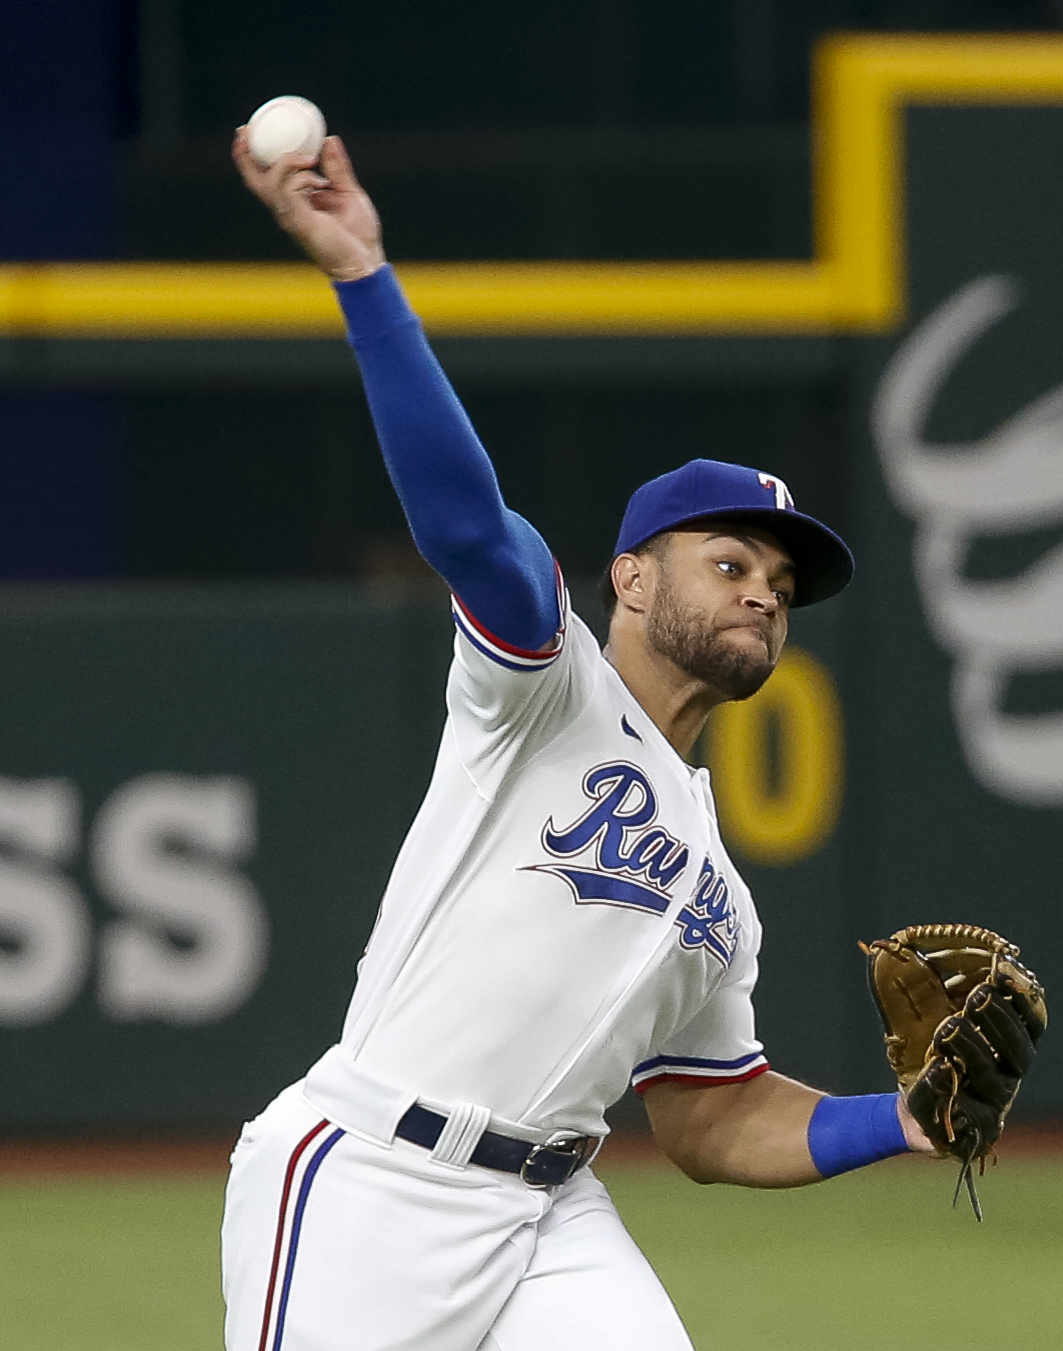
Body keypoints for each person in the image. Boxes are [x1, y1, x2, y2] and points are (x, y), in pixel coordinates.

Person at [224, 129, 932, 1351]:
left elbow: (715, 1121)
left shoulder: (718, 887)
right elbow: (463, 520)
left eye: (779, 578)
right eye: (728, 561)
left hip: (552, 1212)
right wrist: (363, 276)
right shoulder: (546, 684)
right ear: (633, 580)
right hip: (373, 1180)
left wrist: (902, 1116)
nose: (765, 590)